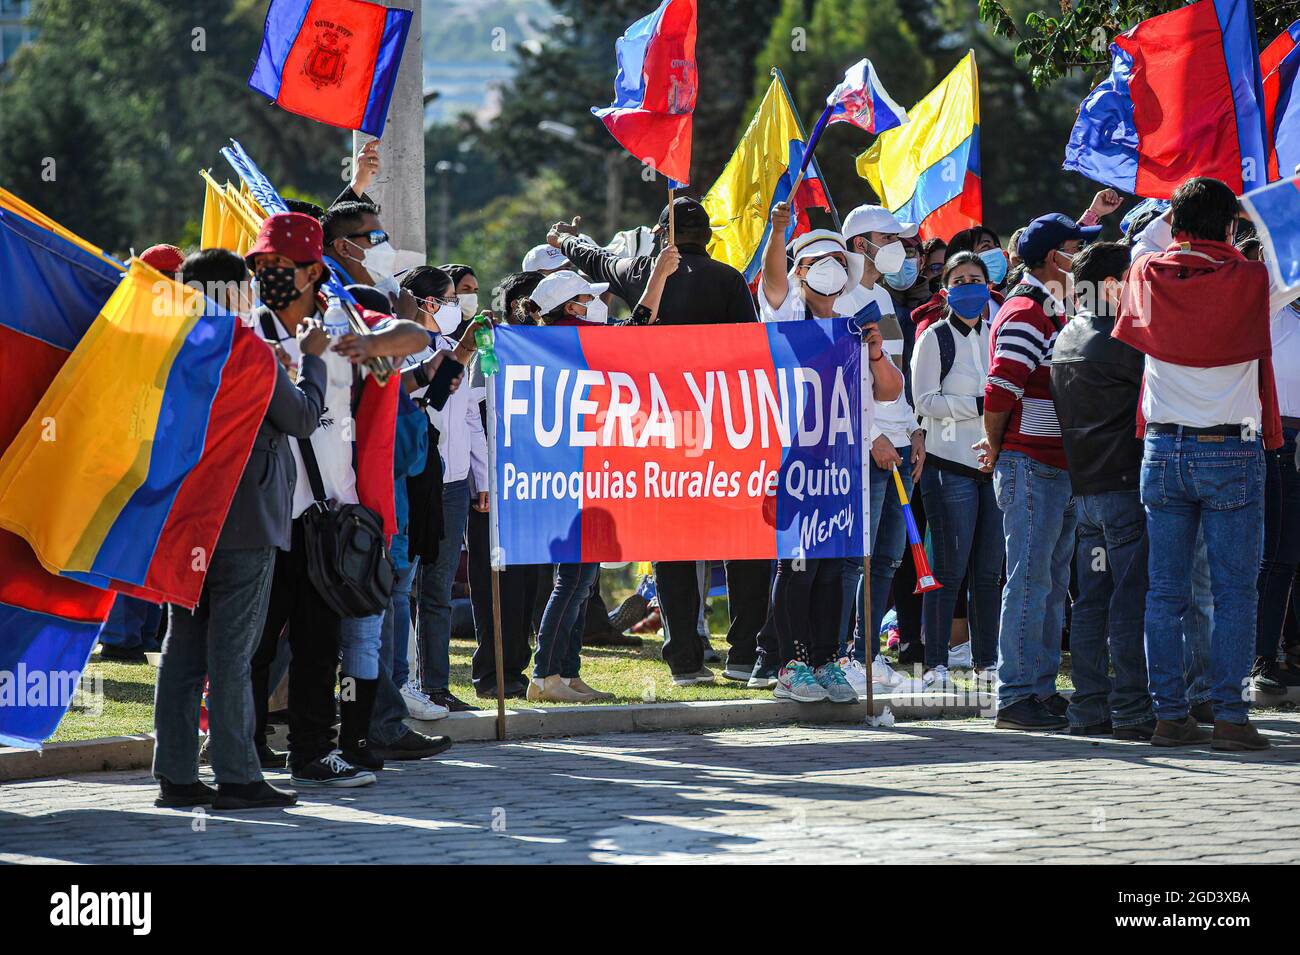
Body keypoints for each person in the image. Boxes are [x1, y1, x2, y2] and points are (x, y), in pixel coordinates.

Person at [546, 196, 770, 687]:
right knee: (744, 543)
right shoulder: (731, 281)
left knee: (675, 545)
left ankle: (685, 661)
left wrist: (563, 238)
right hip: (724, 434)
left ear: (661, 231)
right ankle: (742, 654)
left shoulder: (644, 271)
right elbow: (752, 353)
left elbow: (597, 259)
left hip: (660, 435)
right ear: (708, 235)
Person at [245, 212, 428, 787]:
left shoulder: (338, 322)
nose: (272, 277)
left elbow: (417, 339)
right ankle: (234, 743)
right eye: (263, 267)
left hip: (329, 515)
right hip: (262, 513)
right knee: (249, 642)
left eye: (283, 268)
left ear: (314, 271)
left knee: (319, 645)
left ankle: (313, 752)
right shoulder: (246, 328)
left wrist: (365, 342)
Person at [152, 248, 326, 811]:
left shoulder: (168, 343)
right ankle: (236, 775)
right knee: (232, 653)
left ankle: (176, 774)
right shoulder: (246, 346)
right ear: (232, 292)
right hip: (245, 519)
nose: (253, 296)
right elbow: (300, 418)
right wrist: (314, 364)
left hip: (184, 518)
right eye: (247, 288)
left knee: (183, 650)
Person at [1113, 177, 1280, 751]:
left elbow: (1140, 246)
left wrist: (1177, 223)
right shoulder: (1255, 280)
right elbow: (1291, 257)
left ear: (1178, 226)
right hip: (1231, 450)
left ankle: (1169, 715)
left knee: (1165, 592)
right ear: (1230, 225)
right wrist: (1258, 211)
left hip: (1162, 450)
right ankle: (1230, 716)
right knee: (1235, 593)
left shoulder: (1146, 276)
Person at [522, 246, 680, 703]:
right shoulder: (570, 340)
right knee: (570, 581)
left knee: (580, 579)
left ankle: (566, 674)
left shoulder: (567, 337)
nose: (599, 304)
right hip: (571, 479)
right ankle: (544, 675)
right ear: (571, 308)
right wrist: (660, 277)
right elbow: (639, 329)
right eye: (588, 299)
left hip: (585, 477)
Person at [758, 217, 904, 703]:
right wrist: (779, 233)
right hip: (793, 462)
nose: (831, 270)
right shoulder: (786, 317)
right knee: (797, 564)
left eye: (839, 262)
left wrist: (878, 354)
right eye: (819, 262)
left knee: (832, 564)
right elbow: (773, 279)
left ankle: (825, 659)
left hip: (841, 467)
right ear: (800, 272)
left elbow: (889, 392)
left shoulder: (856, 322)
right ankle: (789, 664)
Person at [979, 212, 1100, 731]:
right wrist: (995, 443)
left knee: (1049, 582)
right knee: (1029, 581)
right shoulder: (1027, 311)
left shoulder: (1053, 308)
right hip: (1031, 464)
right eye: (1079, 247)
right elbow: (1000, 390)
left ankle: (1040, 689)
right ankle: (1015, 696)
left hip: (1055, 465)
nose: (1084, 258)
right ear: (1056, 257)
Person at [1049, 241, 1156, 740]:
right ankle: (1133, 709)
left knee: (1091, 601)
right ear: (1113, 284)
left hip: (1086, 488)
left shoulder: (1066, 335)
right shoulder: (1124, 337)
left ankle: (1089, 707)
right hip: (1122, 488)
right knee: (1128, 600)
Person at [835, 203, 924, 695]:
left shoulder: (884, 299)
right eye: (891, 239)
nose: (902, 249)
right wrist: (874, 438)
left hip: (898, 444)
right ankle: (848, 656)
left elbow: (893, 376)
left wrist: (912, 429)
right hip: (866, 447)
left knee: (887, 558)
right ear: (861, 243)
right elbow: (844, 384)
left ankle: (868, 653)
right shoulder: (842, 297)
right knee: (859, 558)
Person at [911, 252, 1003, 689]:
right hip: (949, 468)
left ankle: (988, 664)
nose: (970, 286)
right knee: (948, 570)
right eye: (960, 279)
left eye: (977, 279)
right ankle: (935, 665)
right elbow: (924, 401)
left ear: (988, 287)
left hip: (993, 468)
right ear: (946, 289)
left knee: (988, 573)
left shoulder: (997, 332)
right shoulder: (935, 337)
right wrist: (979, 407)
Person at [403, 265, 489, 714]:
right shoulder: (403, 350)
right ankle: (404, 685)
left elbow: (470, 418)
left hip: (453, 483)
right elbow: (424, 400)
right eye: (453, 298)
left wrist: (482, 478)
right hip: (415, 480)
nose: (460, 305)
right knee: (402, 588)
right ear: (429, 304)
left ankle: (436, 684)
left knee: (438, 587)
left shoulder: (454, 351)